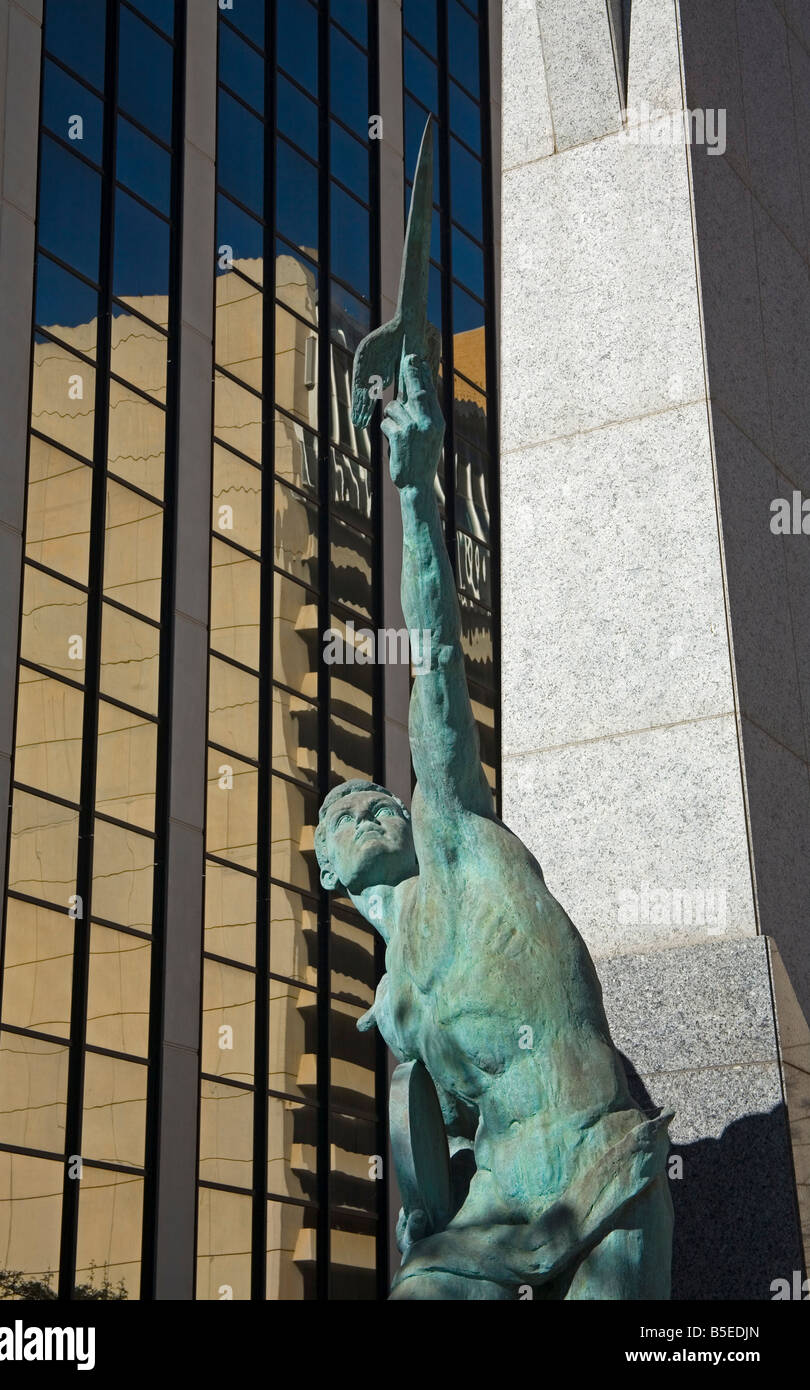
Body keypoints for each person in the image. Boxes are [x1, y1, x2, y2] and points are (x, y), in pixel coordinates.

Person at [314, 353, 673, 1300]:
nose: (373, 804)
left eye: (372, 796)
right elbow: (443, 1139)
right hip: (494, 1214)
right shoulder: (395, 1001)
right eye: (345, 812)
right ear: (331, 878)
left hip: (596, 1158)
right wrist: (424, 1209)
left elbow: (432, 660)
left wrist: (416, 490)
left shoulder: (458, 839)